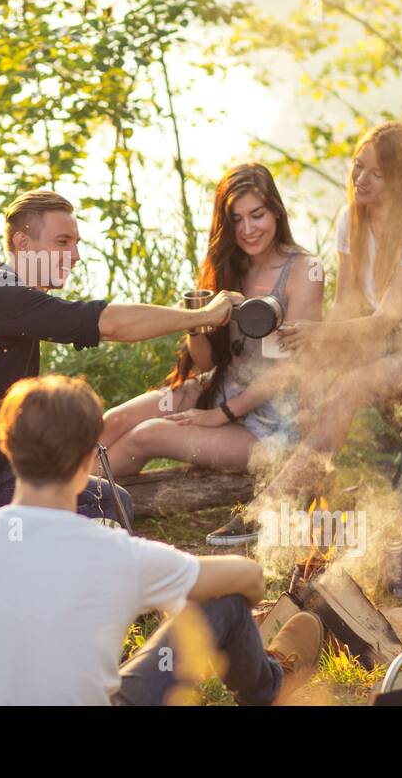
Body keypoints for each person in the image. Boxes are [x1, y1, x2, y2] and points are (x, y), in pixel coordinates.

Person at [0, 374, 324, 705]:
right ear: (90, 459)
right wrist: (191, 593)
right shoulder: (115, 555)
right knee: (226, 602)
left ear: (5, 448)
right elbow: (248, 577)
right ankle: (269, 689)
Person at [0, 189, 241, 561]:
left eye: (76, 243)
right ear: (23, 243)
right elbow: (111, 324)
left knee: (107, 503)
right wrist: (202, 316)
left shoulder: (24, 303)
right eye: (62, 242)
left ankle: (43, 575)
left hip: (1, 476)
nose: (75, 256)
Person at [203, 122, 402, 544]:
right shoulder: (351, 219)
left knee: (351, 387)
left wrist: (319, 337)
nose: (361, 180)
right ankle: (315, 500)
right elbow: (348, 302)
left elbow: (384, 320)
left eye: (375, 173)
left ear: (400, 179)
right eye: (358, 167)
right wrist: (319, 348)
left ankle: (269, 507)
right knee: (314, 377)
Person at [96, 163, 324, 545]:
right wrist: (198, 320)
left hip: (271, 420)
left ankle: (74, 507)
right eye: (236, 220)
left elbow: (291, 370)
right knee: (112, 422)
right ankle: (57, 505)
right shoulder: (229, 264)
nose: (248, 230)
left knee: (145, 436)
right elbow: (206, 364)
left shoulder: (304, 270)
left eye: (258, 215)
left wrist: (219, 416)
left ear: (277, 212)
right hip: (222, 385)